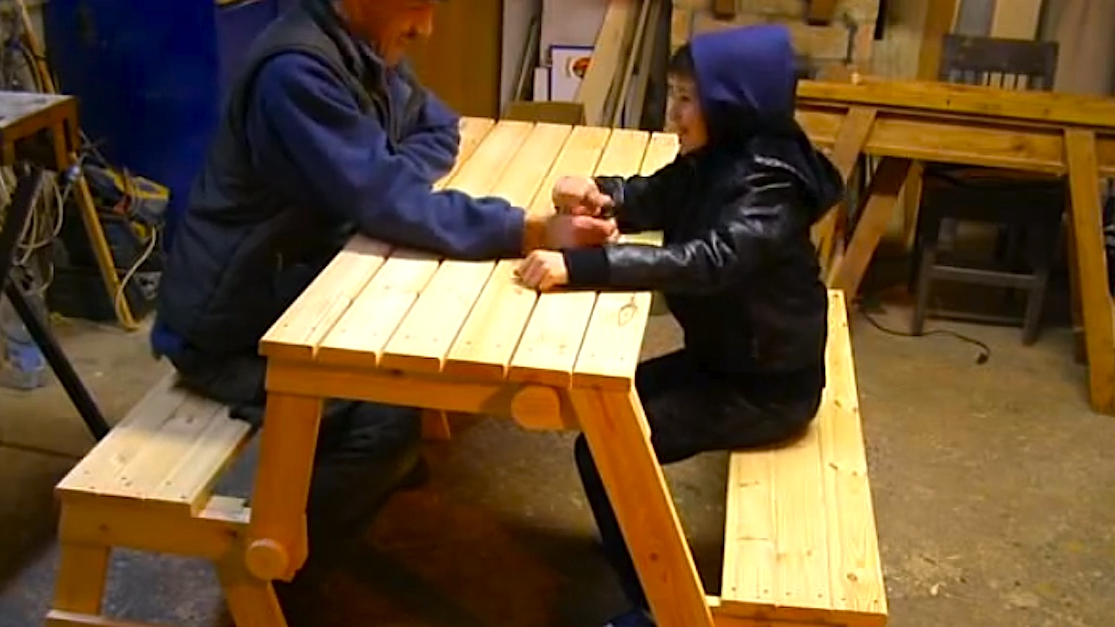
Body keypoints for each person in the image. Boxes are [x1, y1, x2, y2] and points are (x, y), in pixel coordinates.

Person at [149, 0, 616, 615]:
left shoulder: (359, 45)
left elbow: (434, 129)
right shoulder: (298, 72)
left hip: (298, 279)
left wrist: (384, 183)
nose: (427, 28)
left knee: (421, 331)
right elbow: (391, 201)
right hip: (230, 322)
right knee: (380, 413)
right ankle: (275, 584)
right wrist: (529, 232)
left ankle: (365, 487)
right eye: (416, 8)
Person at [515, 25, 845, 627]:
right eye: (673, 95)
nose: (673, 114)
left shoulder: (768, 183)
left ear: (732, 102)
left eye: (686, 98)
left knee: (607, 444)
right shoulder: (723, 154)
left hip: (767, 386)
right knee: (604, 422)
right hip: (730, 359)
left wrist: (580, 266)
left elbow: (709, 262)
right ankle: (639, 545)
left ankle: (656, 606)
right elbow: (659, 195)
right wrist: (603, 195)